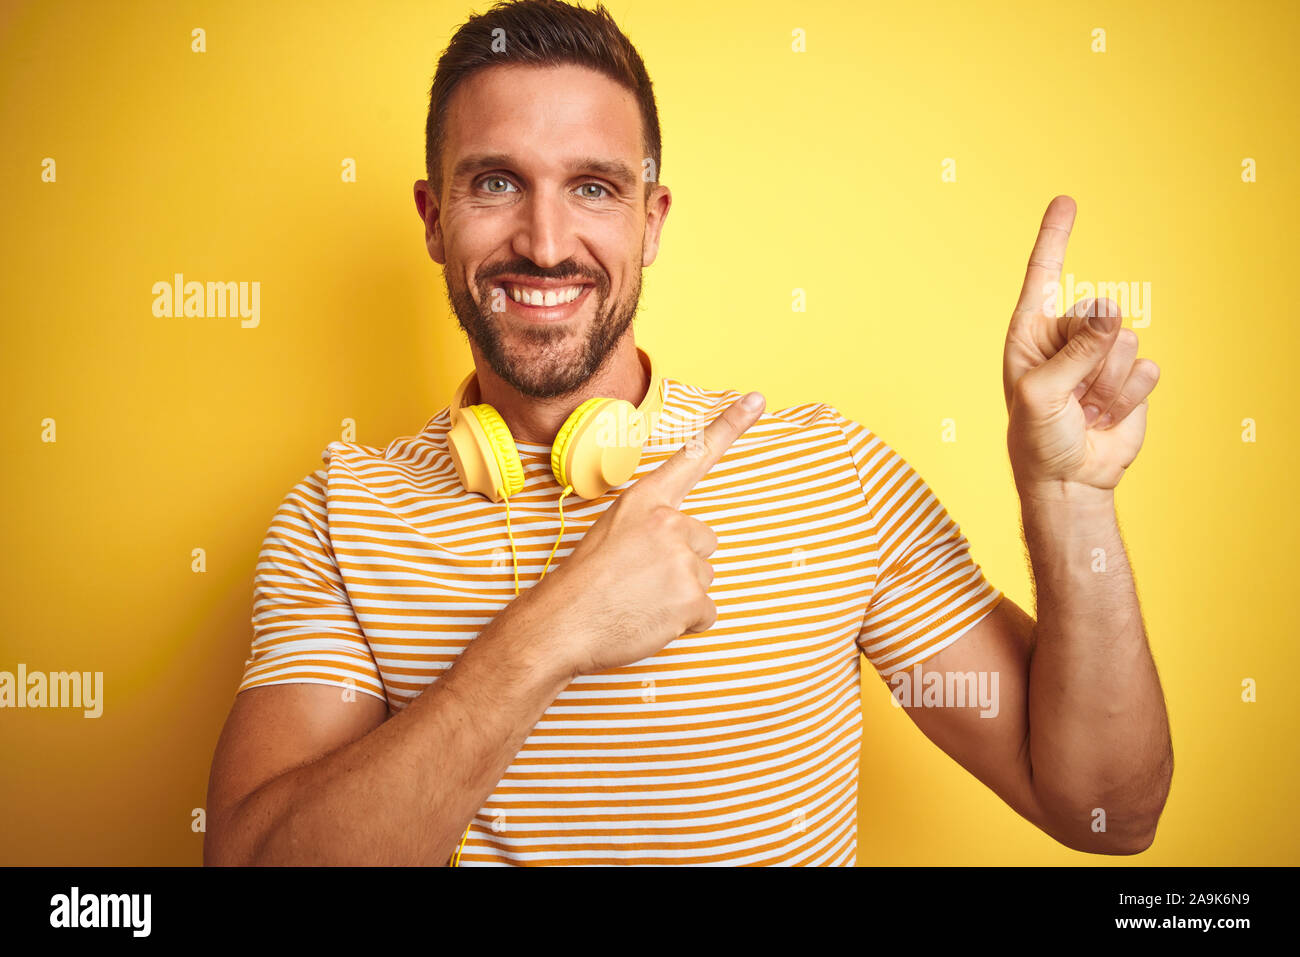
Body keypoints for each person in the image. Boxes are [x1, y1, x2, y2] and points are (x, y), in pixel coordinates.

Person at [204, 0, 1172, 866]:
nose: (545, 242)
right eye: (495, 183)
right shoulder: (339, 512)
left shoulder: (830, 472)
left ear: (651, 220)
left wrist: (1069, 501)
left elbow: (1103, 812)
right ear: (432, 215)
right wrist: (554, 631)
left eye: (593, 188)